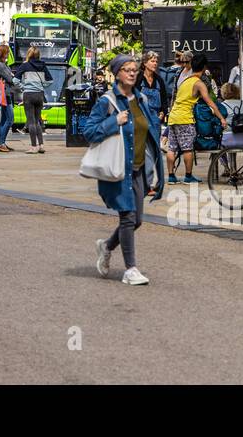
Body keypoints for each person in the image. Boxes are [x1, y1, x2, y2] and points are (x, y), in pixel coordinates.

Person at [86, 55, 156, 286]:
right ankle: (130, 269)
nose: (132, 73)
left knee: (137, 221)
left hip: (138, 168)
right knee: (127, 217)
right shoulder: (107, 102)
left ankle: (106, 246)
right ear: (117, 74)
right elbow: (89, 131)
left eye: (135, 69)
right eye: (127, 70)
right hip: (118, 169)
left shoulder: (141, 99)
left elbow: (149, 133)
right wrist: (113, 121)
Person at [166, 52, 226, 184]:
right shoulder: (199, 83)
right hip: (185, 118)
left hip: (173, 117)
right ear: (204, 67)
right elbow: (210, 102)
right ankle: (188, 176)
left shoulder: (184, 81)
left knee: (172, 148)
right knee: (187, 148)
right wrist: (221, 118)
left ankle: (171, 176)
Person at [137, 52, 170, 196]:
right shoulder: (138, 78)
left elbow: (164, 99)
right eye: (152, 61)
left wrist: (163, 112)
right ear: (144, 63)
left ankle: (151, 183)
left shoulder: (159, 80)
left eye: (156, 61)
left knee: (153, 152)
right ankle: (147, 184)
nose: (155, 63)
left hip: (155, 120)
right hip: (141, 118)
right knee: (145, 152)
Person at [13, 47, 53, 154]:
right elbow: (50, 81)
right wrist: (41, 86)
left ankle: (33, 147)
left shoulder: (25, 65)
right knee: (37, 121)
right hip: (39, 95)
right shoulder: (43, 65)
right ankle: (41, 145)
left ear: (29, 54)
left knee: (31, 122)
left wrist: (23, 87)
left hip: (28, 95)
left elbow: (15, 80)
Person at [0, 44, 19, 152]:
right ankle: (1, 143)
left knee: (3, 120)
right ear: (2, 53)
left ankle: (2, 143)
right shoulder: (0, 65)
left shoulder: (0, 64)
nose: (8, 54)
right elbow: (10, 79)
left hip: (5, 94)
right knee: (10, 119)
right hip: (4, 94)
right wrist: (14, 76)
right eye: (6, 52)